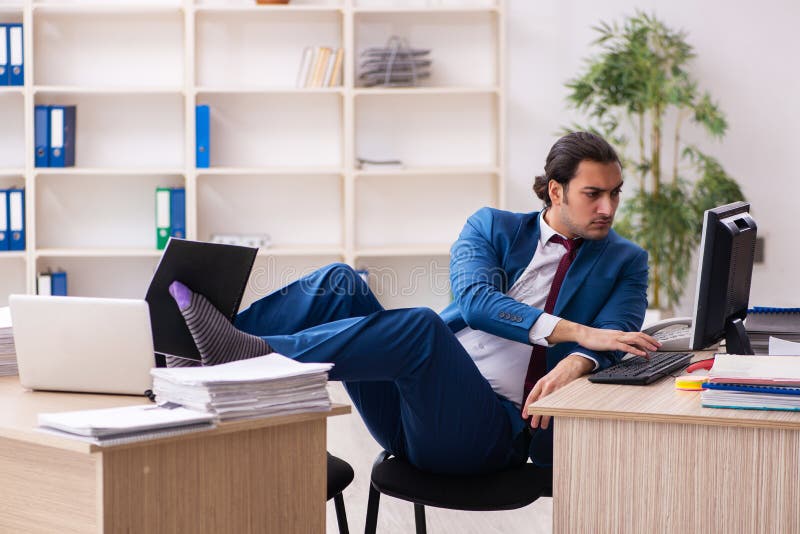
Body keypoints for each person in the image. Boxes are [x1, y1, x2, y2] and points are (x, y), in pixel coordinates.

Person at [166, 131, 659, 476]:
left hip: (488, 432)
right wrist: (575, 331)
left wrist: (579, 359)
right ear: (556, 190)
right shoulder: (492, 226)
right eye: (593, 194)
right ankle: (197, 349)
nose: (608, 209)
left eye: (615, 194)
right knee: (340, 281)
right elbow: (477, 301)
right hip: (410, 406)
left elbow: (618, 335)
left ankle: (250, 356)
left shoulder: (625, 260)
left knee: (420, 328)